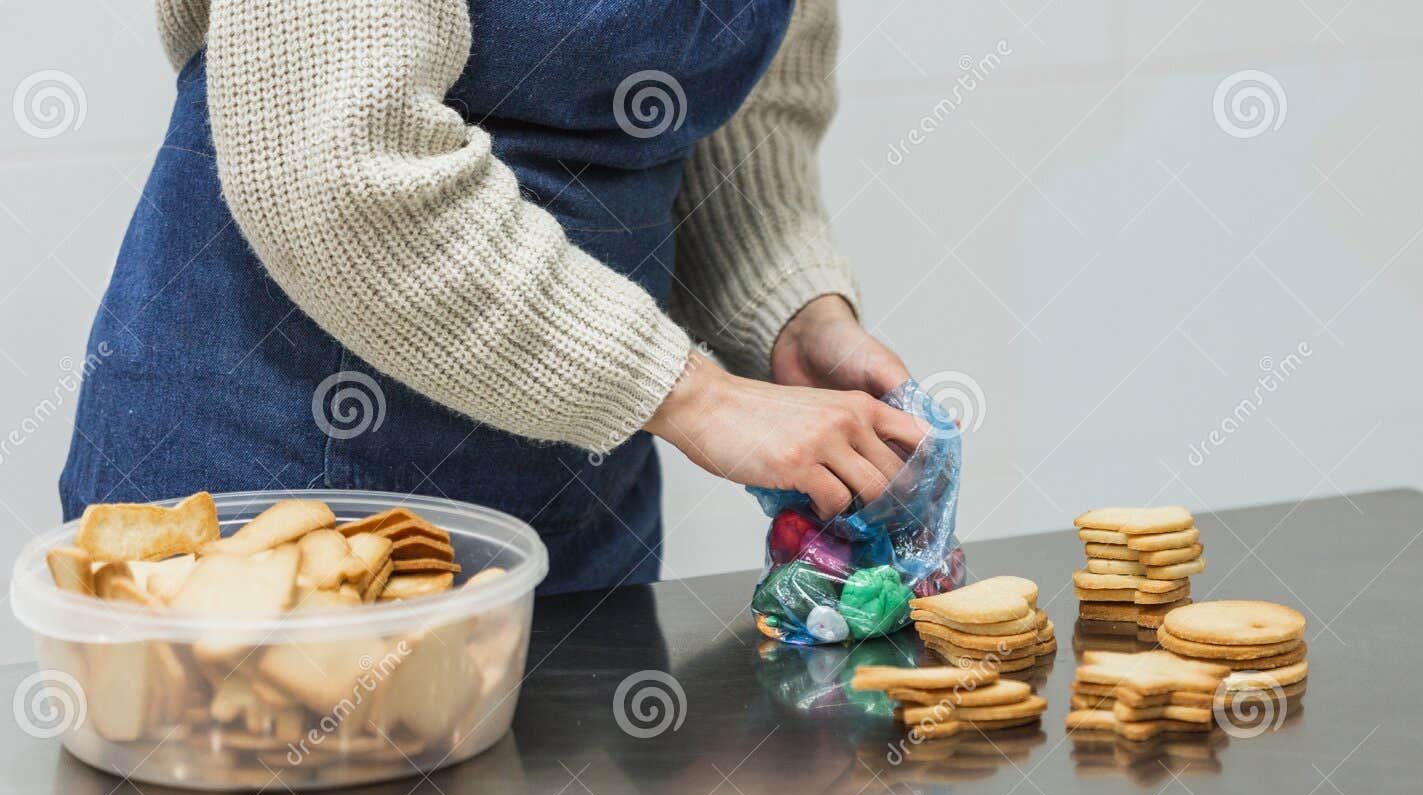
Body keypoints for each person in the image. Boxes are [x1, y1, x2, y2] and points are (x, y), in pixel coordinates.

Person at [59, 0, 927, 592]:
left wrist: (792, 310)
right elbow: (333, 171)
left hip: (574, 505)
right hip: (277, 484)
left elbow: (737, 106)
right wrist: (695, 395)